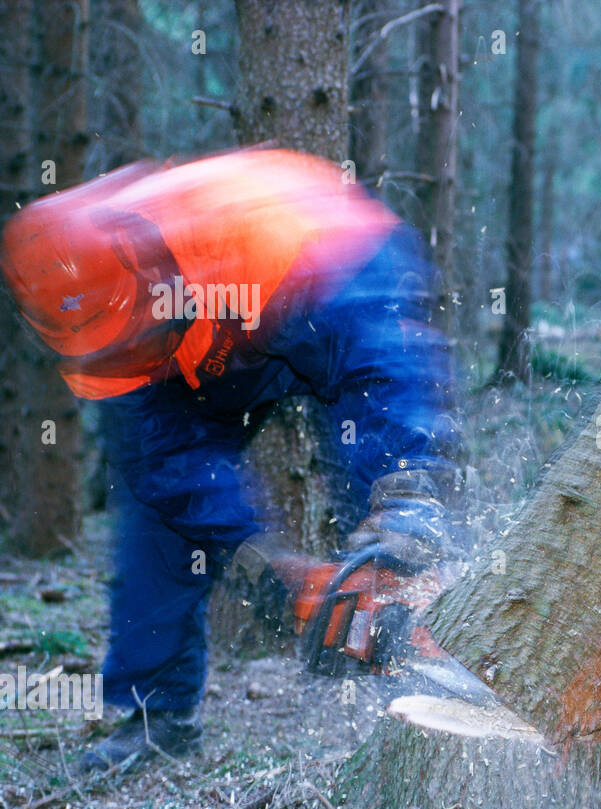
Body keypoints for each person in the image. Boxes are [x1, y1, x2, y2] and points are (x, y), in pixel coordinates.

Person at [0, 149, 460, 770]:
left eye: (134, 334)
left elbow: (379, 355)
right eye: (119, 347)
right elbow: (168, 463)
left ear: (150, 272)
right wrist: (262, 561)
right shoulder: (98, 344)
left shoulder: (257, 229)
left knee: (380, 483)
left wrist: (402, 488)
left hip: (319, 287)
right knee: (156, 515)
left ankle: (425, 622)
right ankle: (154, 714)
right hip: (203, 362)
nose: (128, 352)